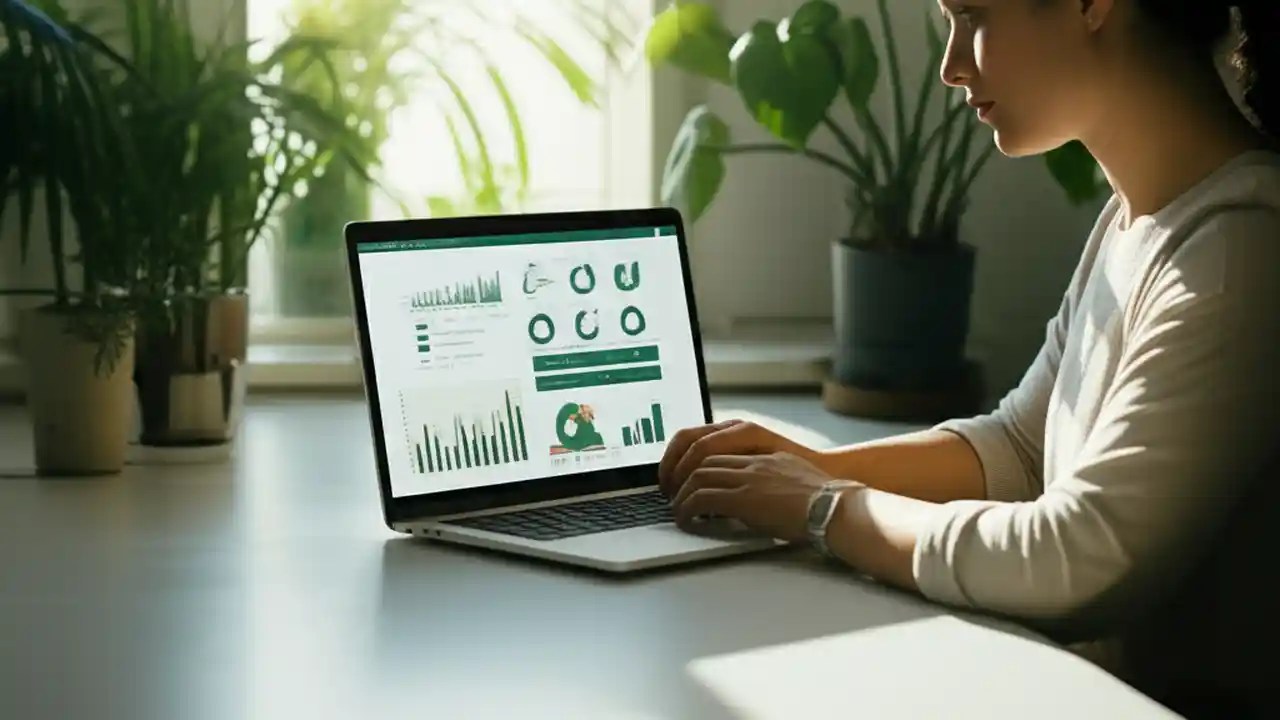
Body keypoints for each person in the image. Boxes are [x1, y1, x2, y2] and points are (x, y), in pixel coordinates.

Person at [657, 1, 1280, 717]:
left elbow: (1077, 558)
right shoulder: (1138, 218)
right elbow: (1020, 447)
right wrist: (804, 468)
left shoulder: (1240, 246)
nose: (952, 64)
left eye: (973, 15)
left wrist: (821, 506)